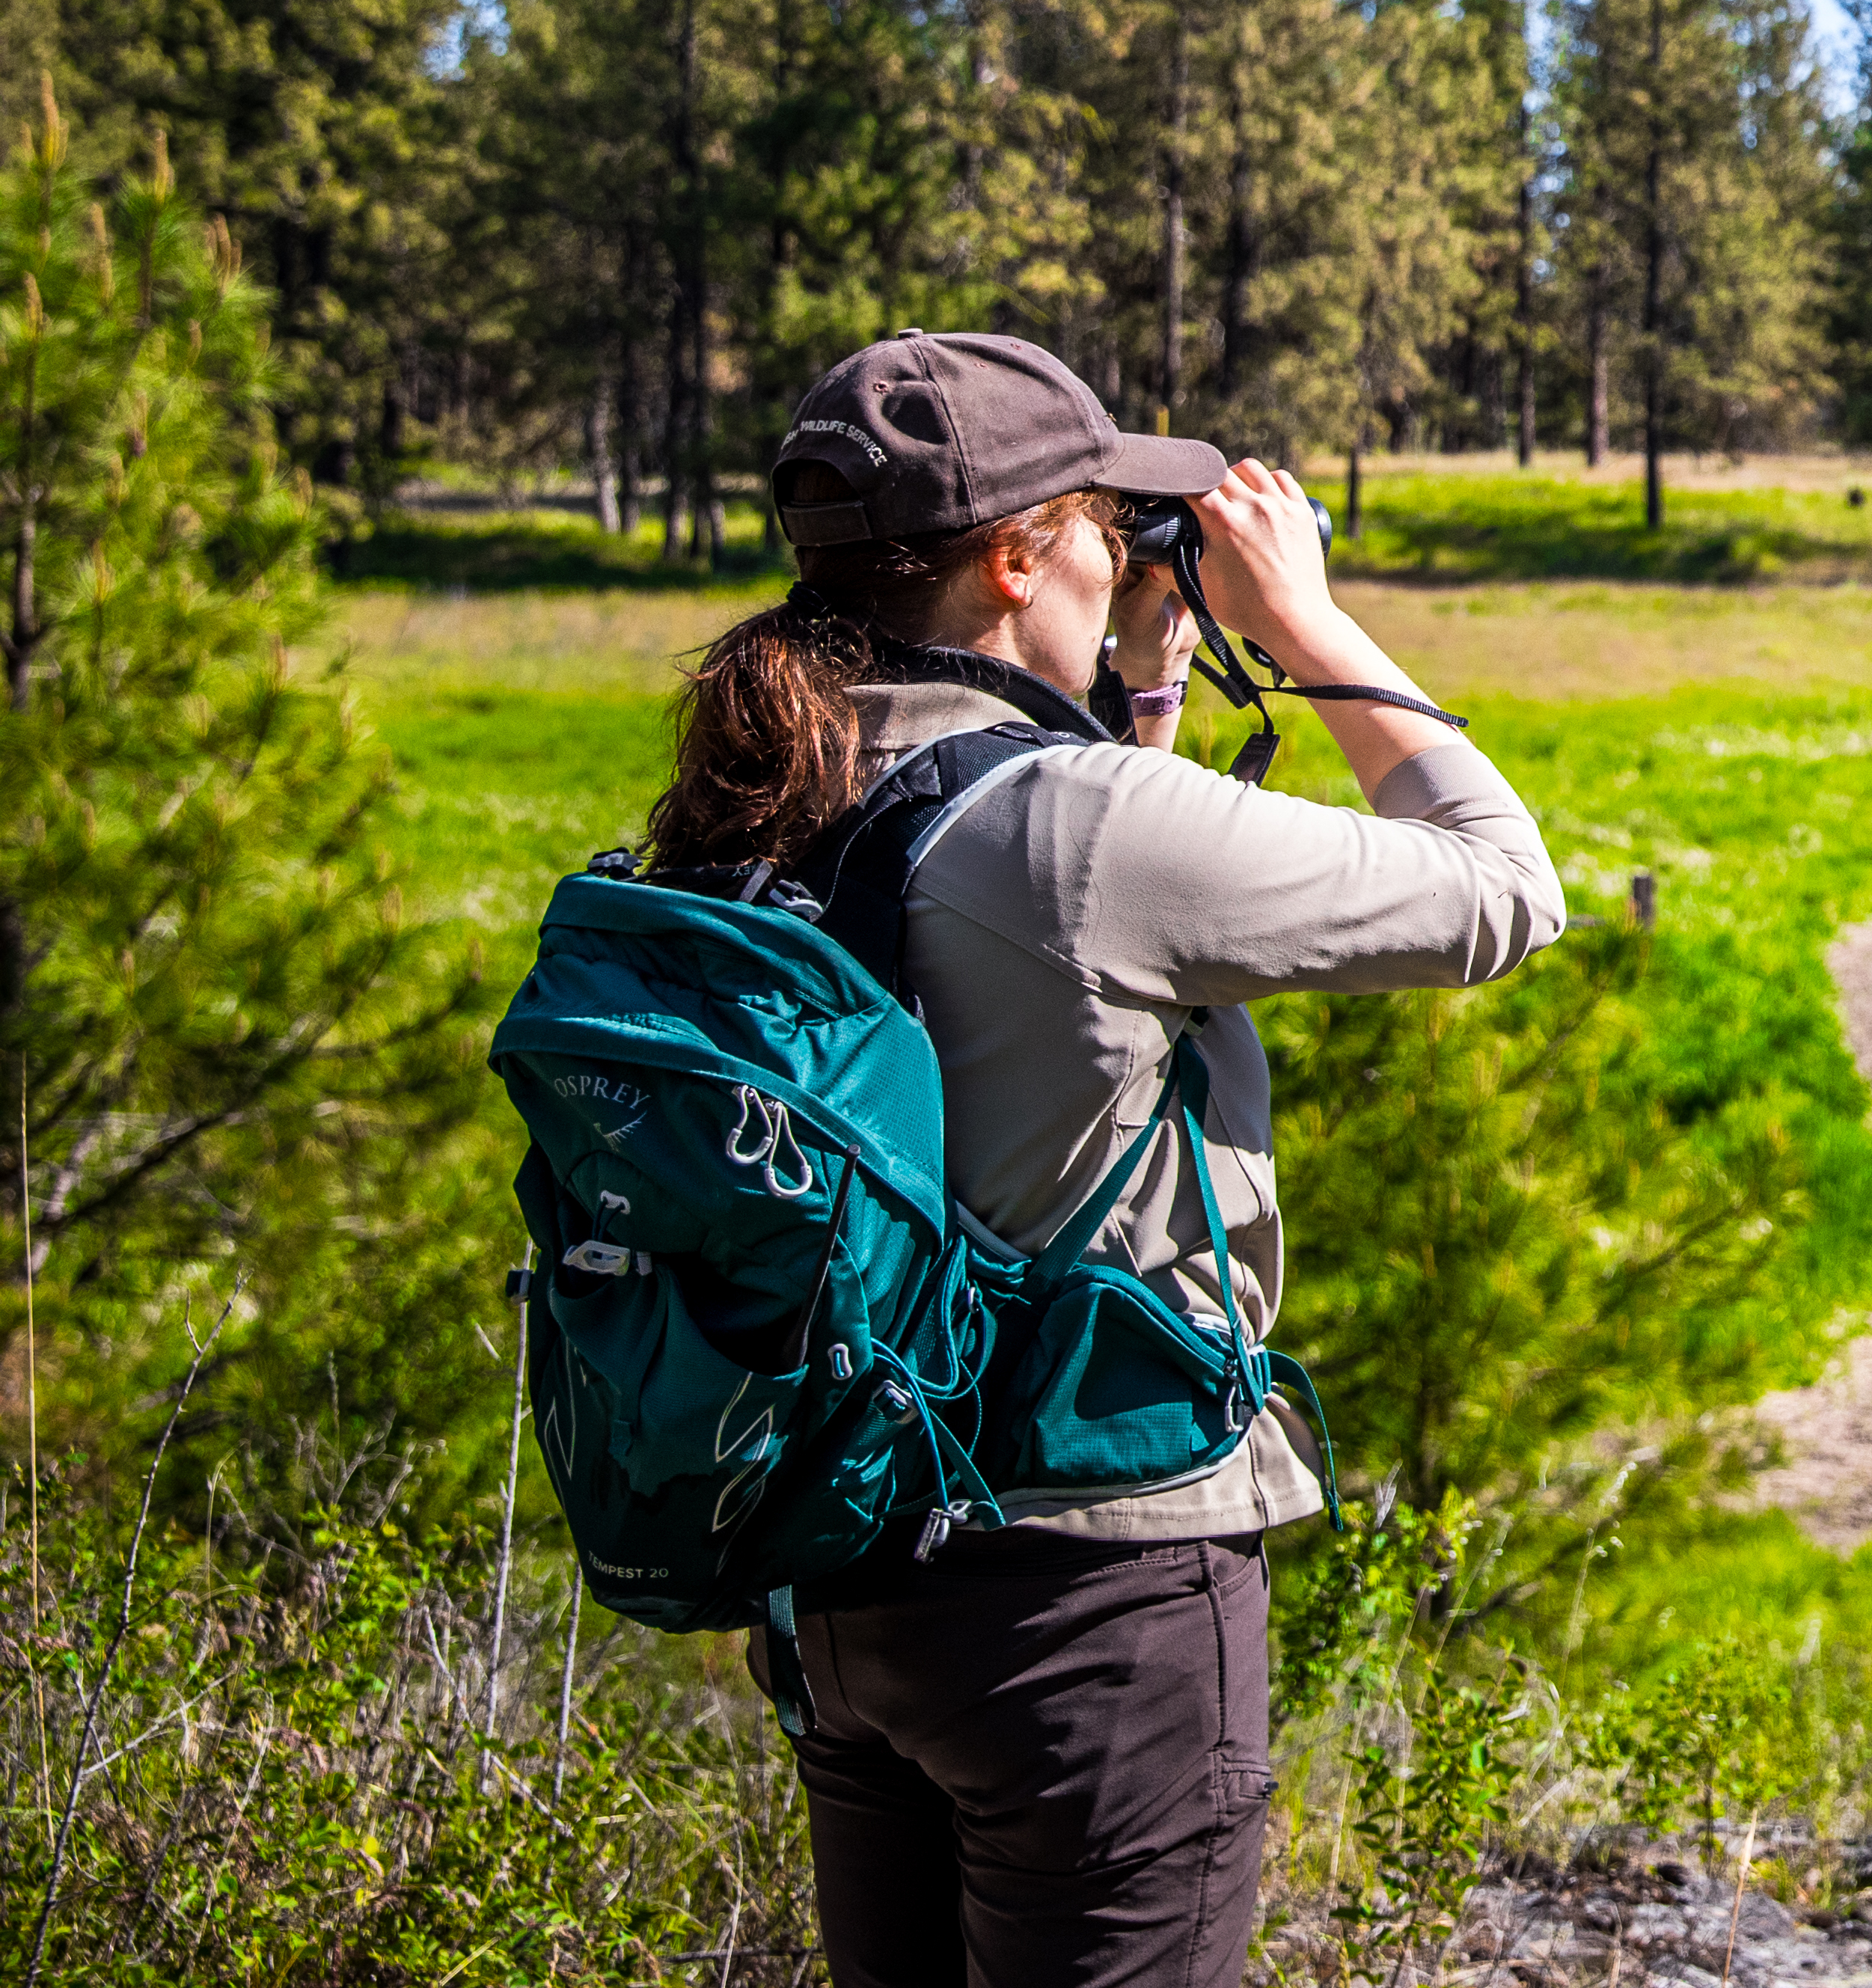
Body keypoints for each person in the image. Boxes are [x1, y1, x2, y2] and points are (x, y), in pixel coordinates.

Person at [649, 331, 1565, 1988]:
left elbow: (1048, 1006)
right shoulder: (1068, 824)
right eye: (1098, 519)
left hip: (847, 1579)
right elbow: (1503, 885)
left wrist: (1138, 698)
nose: (1128, 551)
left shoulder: (770, 778)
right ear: (1014, 559)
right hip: (1092, 1607)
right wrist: (1303, 618)